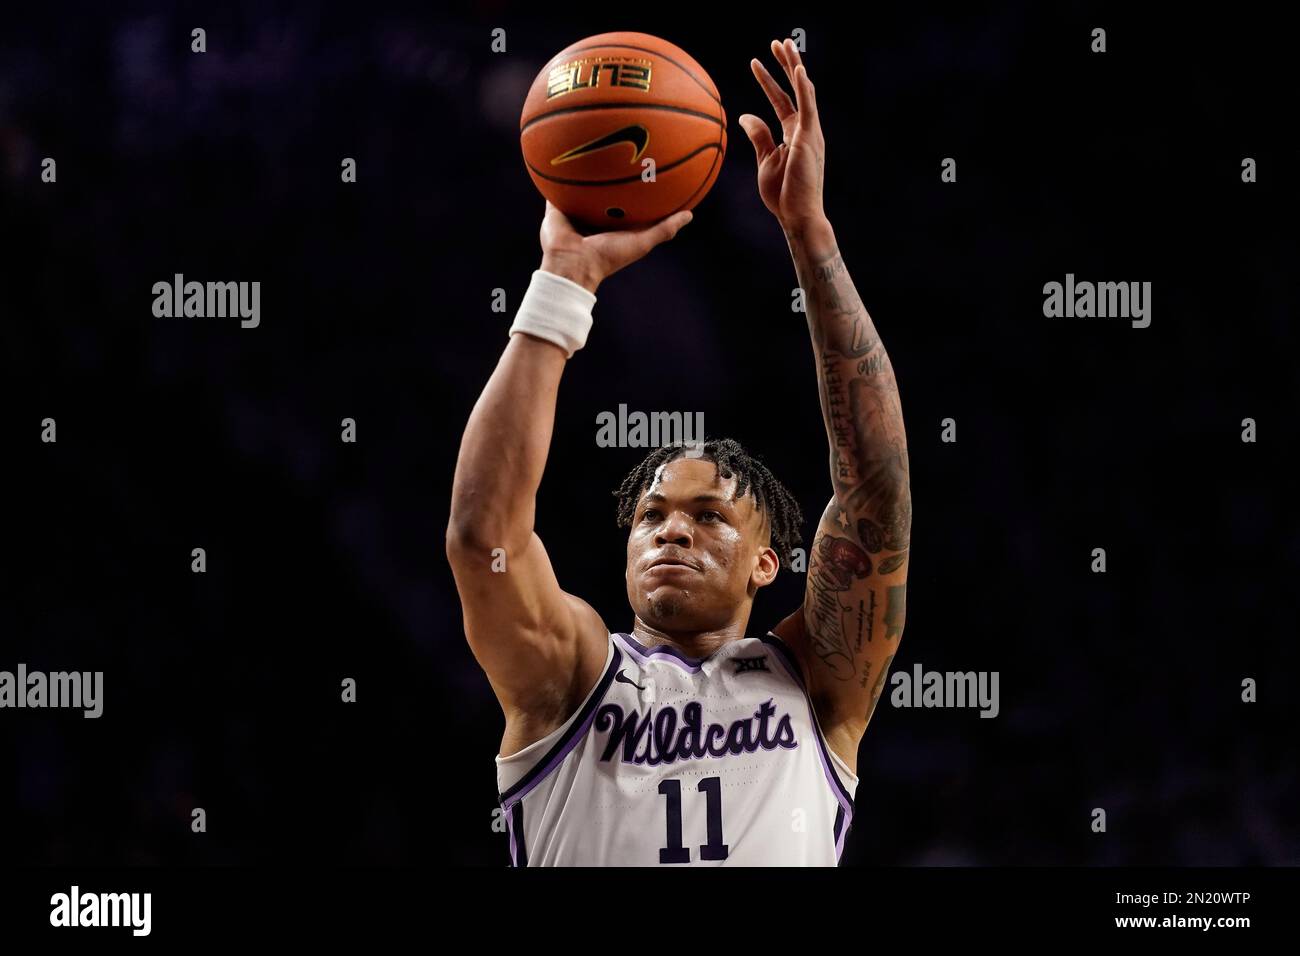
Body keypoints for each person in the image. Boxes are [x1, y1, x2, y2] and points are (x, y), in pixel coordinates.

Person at [447, 38, 911, 865]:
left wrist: (809, 235)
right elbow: (483, 537)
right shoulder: (572, 677)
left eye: (708, 515)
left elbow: (876, 492)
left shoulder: (816, 682)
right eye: (653, 515)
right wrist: (562, 283)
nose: (670, 531)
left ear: (769, 565)